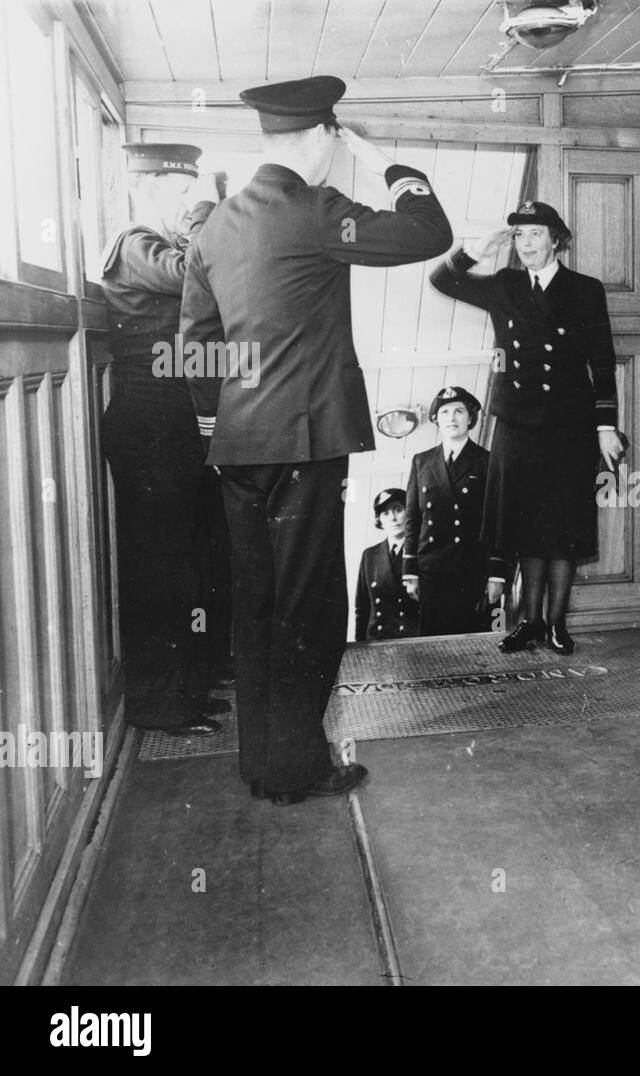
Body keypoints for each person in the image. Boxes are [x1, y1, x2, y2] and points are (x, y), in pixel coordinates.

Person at [180, 75, 454, 805]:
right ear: (322, 139)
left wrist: (222, 423)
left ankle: (260, 762)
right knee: (309, 608)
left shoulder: (216, 224)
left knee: (256, 604)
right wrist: (390, 165)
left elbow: (196, 345)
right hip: (304, 446)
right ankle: (296, 768)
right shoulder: (318, 210)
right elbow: (430, 233)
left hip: (238, 448)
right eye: (336, 141)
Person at [430, 202, 623, 655]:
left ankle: (556, 624)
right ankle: (529, 622)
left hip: (567, 427)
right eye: (519, 236)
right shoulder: (505, 285)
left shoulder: (584, 290)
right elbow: (443, 280)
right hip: (516, 424)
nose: (527, 244)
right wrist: (476, 250)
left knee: (561, 528)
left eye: (536, 234)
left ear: (557, 239)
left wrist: (605, 426)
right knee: (522, 527)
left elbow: (603, 362)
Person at [100, 142, 229, 736]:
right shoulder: (134, 245)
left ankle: (186, 690)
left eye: (188, 191)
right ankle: (160, 705)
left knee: (185, 559)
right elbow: (195, 276)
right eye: (178, 191)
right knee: (158, 566)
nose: (184, 201)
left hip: (169, 418)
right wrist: (207, 214)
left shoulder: (155, 242)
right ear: (145, 186)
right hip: (149, 422)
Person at [400, 387, 508, 636]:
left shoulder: (488, 461)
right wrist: (410, 571)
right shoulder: (422, 461)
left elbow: (497, 521)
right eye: (445, 412)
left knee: (471, 647)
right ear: (436, 419)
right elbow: (413, 521)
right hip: (431, 570)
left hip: (471, 569)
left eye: (459, 411)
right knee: (431, 647)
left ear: (470, 418)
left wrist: (497, 575)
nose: (452, 418)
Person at [356, 489, 419, 641]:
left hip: (412, 640)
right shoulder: (369, 555)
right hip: (376, 639)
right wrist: (359, 646)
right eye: (385, 513)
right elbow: (362, 608)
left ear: (409, 513)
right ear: (379, 520)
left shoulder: (420, 553)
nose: (393, 518)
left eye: (398, 510)